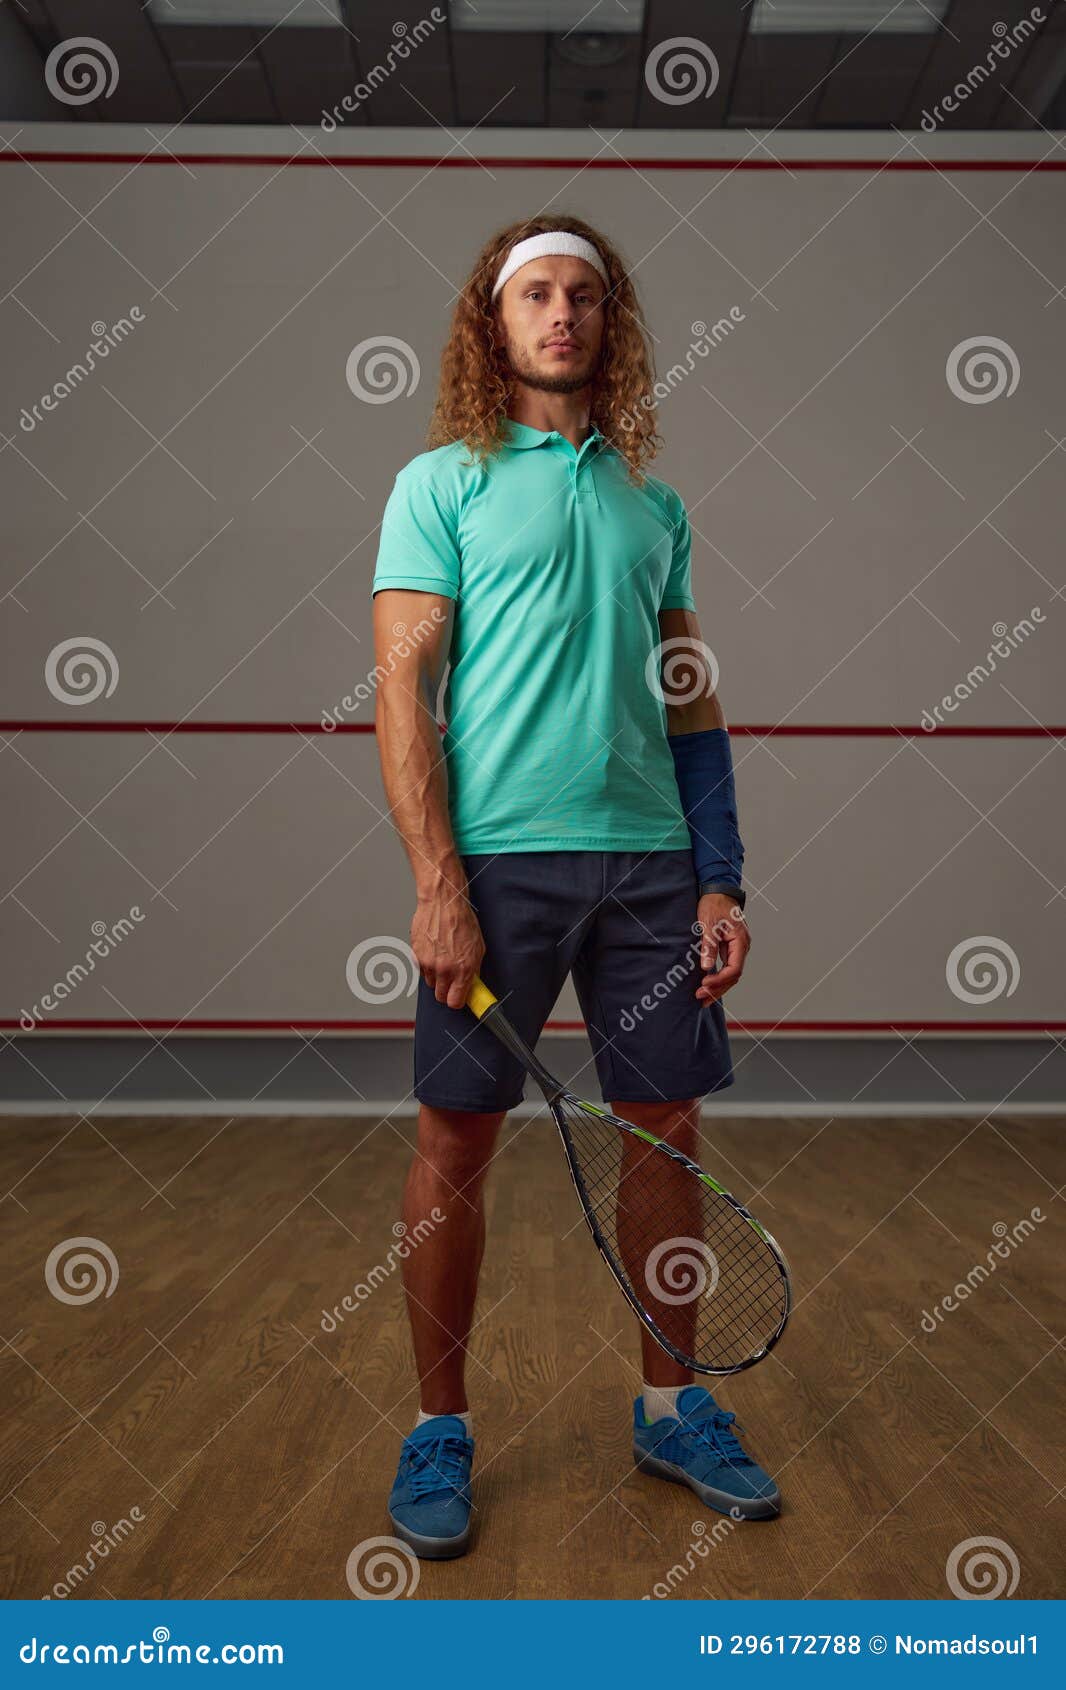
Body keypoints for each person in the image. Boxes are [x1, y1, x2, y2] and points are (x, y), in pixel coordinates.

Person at [371, 214, 779, 1560]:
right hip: (497, 868)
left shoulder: (652, 504)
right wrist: (438, 882)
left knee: (663, 1130)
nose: (563, 313)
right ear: (494, 323)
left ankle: (671, 1403)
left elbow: (692, 702)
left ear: (610, 325)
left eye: (586, 296)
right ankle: (439, 1427)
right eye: (537, 293)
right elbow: (402, 693)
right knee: (455, 1142)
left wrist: (716, 879)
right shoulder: (439, 484)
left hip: (651, 870)